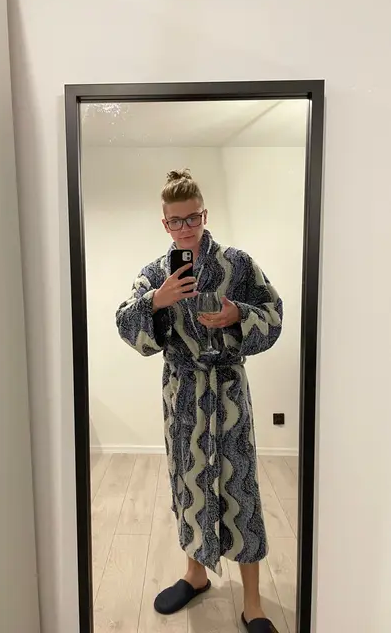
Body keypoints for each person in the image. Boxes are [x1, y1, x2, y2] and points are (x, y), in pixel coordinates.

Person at [115, 169, 282, 633]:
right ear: (164, 223)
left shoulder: (238, 264)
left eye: (192, 218)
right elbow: (126, 324)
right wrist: (156, 300)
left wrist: (237, 314)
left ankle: (253, 602)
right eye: (176, 220)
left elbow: (273, 314)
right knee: (187, 483)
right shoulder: (155, 273)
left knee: (240, 486)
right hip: (183, 393)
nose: (185, 228)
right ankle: (195, 574)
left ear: (204, 215)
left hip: (228, 391)